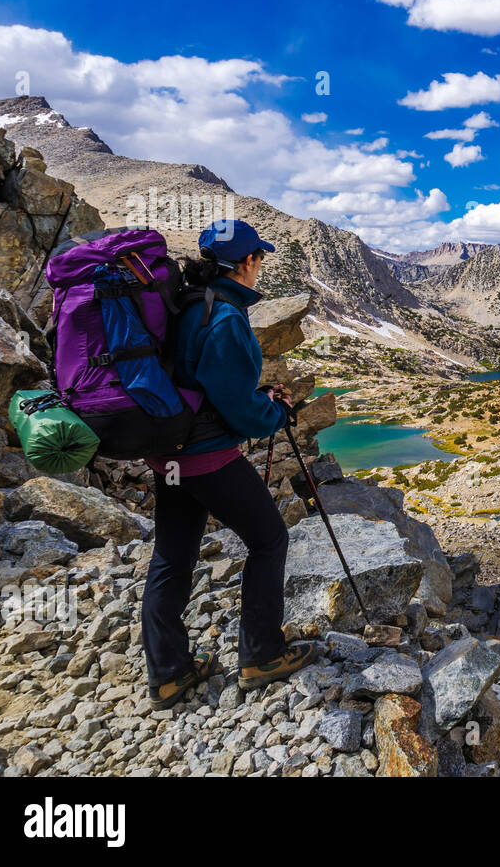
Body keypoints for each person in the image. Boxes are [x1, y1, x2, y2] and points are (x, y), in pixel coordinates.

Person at [141, 219, 317, 710]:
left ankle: (169, 674)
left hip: (168, 457)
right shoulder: (225, 319)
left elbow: (202, 387)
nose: (260, 266)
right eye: (259, 258)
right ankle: (261, 654)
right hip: (208, 460)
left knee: (172, 556)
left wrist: (254, 398)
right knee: (269, 539)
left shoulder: (185, 304)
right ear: (247, 262)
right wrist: (275, 410)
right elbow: (240, 410)